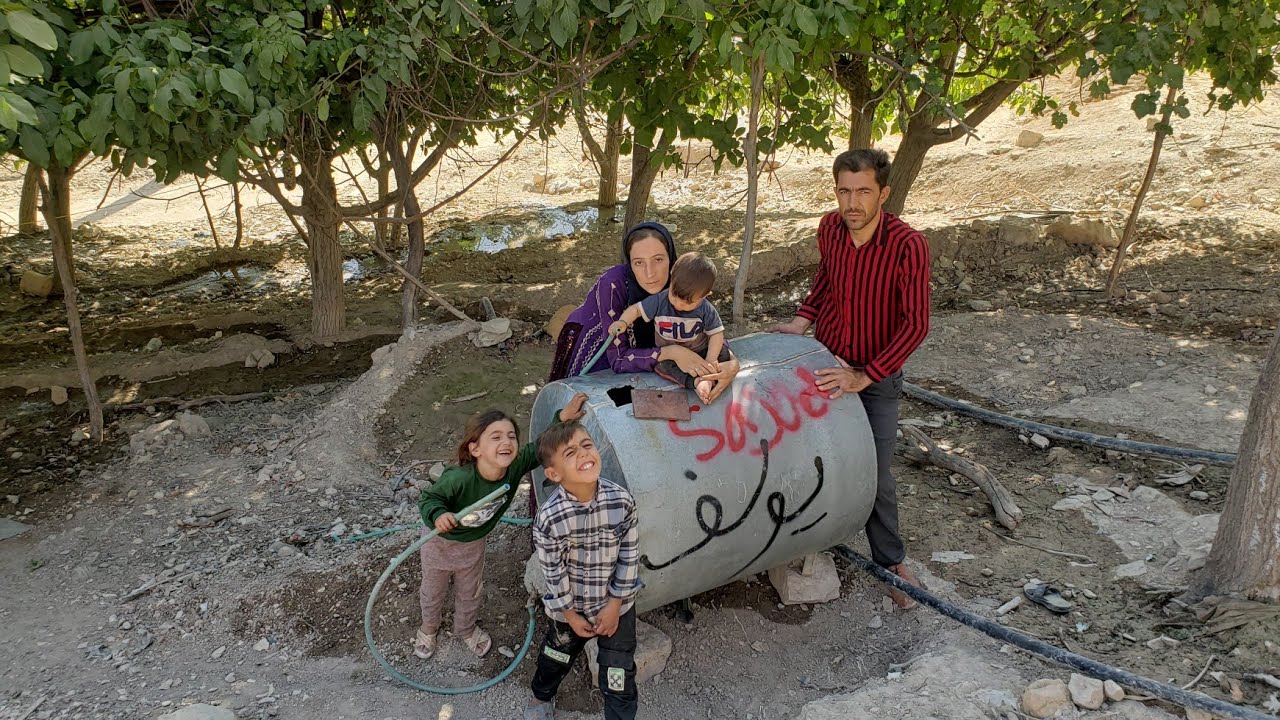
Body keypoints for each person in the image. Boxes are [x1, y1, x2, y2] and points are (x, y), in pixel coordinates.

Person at [769, 148, 931, 610]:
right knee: (809, 454)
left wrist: (866, 376)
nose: (852, 203)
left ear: (884, 193)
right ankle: (803, 541)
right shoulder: (830, 229)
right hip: (826, 365)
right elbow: (827, 280)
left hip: (875, 377)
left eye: (863, 192)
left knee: (875, 474)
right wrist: (802, 321)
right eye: (844, 191)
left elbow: (916, 324)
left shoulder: (908, 245)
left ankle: (891, 562)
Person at [413, 393, 587, 660]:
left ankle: (466, 630)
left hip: (473, 544)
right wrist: (438, 514)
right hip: (439, 542)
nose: (506, 441)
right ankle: (428, 628)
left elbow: (542, 446)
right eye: (495, 437)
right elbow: (430, 498)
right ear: (475, 449)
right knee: (433, 589)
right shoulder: (458, 478)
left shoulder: (515, 467)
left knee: (469, 591)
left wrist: (562, 418)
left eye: (511, 436)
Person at [524, 421, 640, 720]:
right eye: (570, 452)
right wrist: (570, 615)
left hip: (616, 607)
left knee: (619, 672)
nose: (584, 453)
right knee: (557, 654)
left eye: (587, 445)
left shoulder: (622, 502)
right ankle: (541, 696)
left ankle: (619, 715)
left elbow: (630, 555)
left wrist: (615, 605)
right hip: (571, 610)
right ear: (554, 474)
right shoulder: (550, 518)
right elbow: (553, 571)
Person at [548, 222, 739, 403]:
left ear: (672, 260)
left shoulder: (682, 282)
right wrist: (673, 352)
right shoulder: (613, 285)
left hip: (654, 349)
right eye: (638, 263)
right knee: (594, 405)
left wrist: (732, 363)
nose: (650, 273)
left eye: (658, 260)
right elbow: (619, 360)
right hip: (601, 346)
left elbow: (707, 327)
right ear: (629, 263)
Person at [607, 251, 729, 403]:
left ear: (705, 296)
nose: (678, 304)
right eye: (674, 295)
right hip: (672, 357)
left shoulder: (705, 309)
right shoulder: (660, 300)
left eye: (687, 303)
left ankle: (707, 379)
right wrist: (623, 322)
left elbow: (716, 334)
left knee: (723, 352)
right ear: (671, 277)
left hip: (700, 351)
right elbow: (636, 309)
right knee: (662, 366)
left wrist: (710, 361)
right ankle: (695, 382)